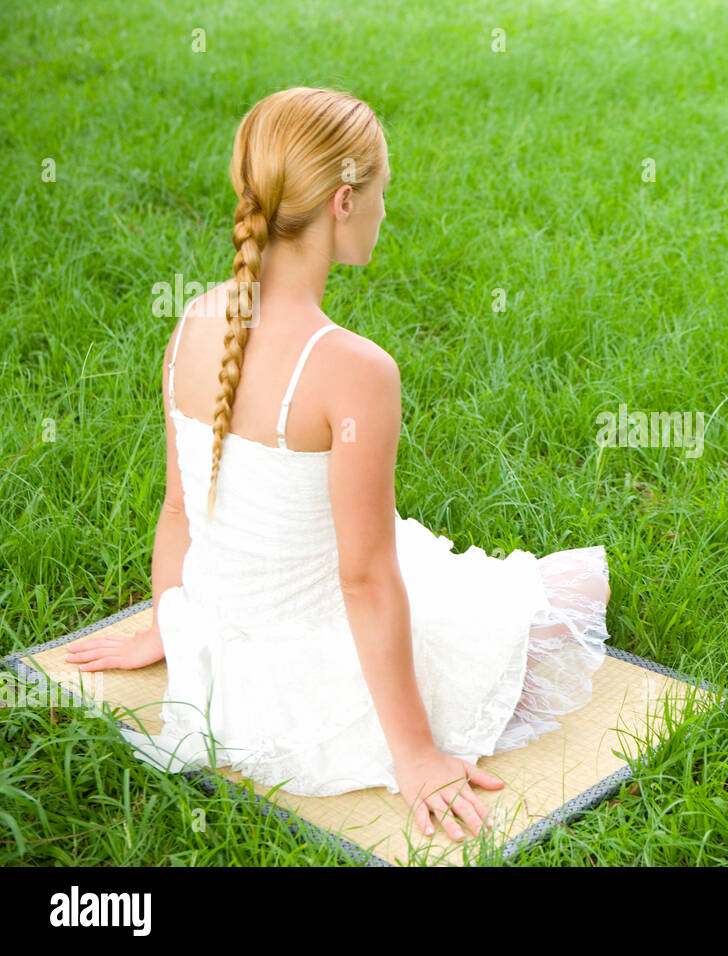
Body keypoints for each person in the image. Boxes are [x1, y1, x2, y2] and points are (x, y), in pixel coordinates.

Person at [64, 87, 611, 844]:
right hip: (314, 691)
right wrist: (415, 752)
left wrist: (173, 625)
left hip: (218, 676)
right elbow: (365, 580)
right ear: (344, 201)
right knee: (575, 590)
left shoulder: (193, 320)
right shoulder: (356, 370)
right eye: (385, 193)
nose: (387, 212)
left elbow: (180, 511)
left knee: (478, 582)